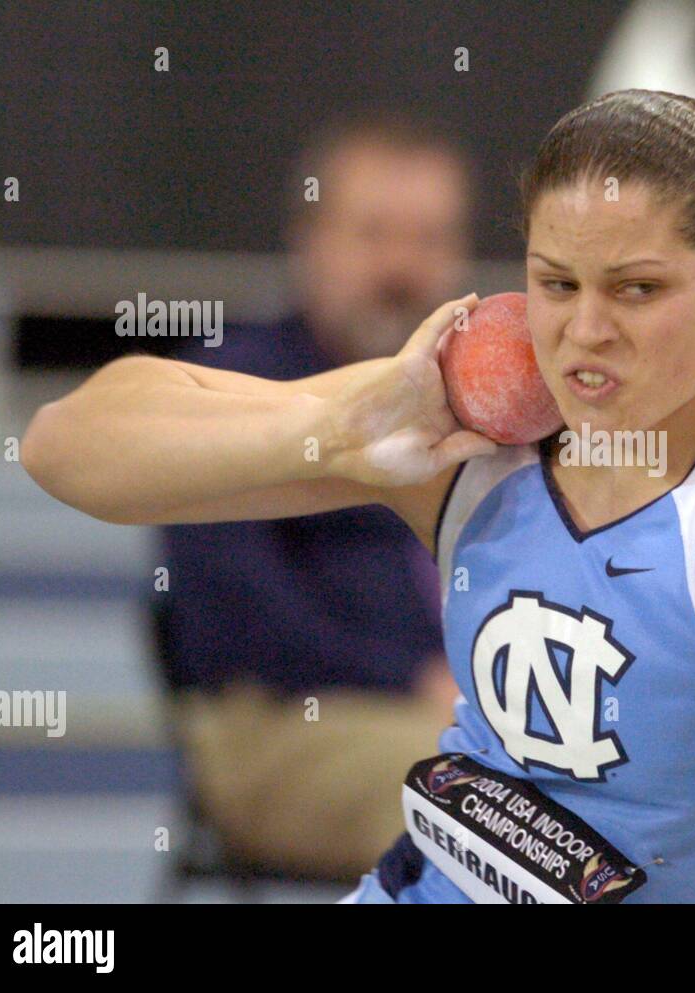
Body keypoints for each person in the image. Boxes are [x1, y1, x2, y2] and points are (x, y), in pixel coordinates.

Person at [21, 89, 695, 903]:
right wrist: (343, 429)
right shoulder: (472, 436)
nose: (585, 332)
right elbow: (69, 448)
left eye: (637, 289)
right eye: (556, 284)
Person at [154, 110, 474, 878]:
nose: (401, 265)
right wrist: (411, 676)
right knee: (483, 802)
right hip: (281, 723)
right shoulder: (235, 387)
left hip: (461, 712)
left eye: (428, 239)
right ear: (310, 240)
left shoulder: (489, 409)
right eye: (373, 233)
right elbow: (238, 618)